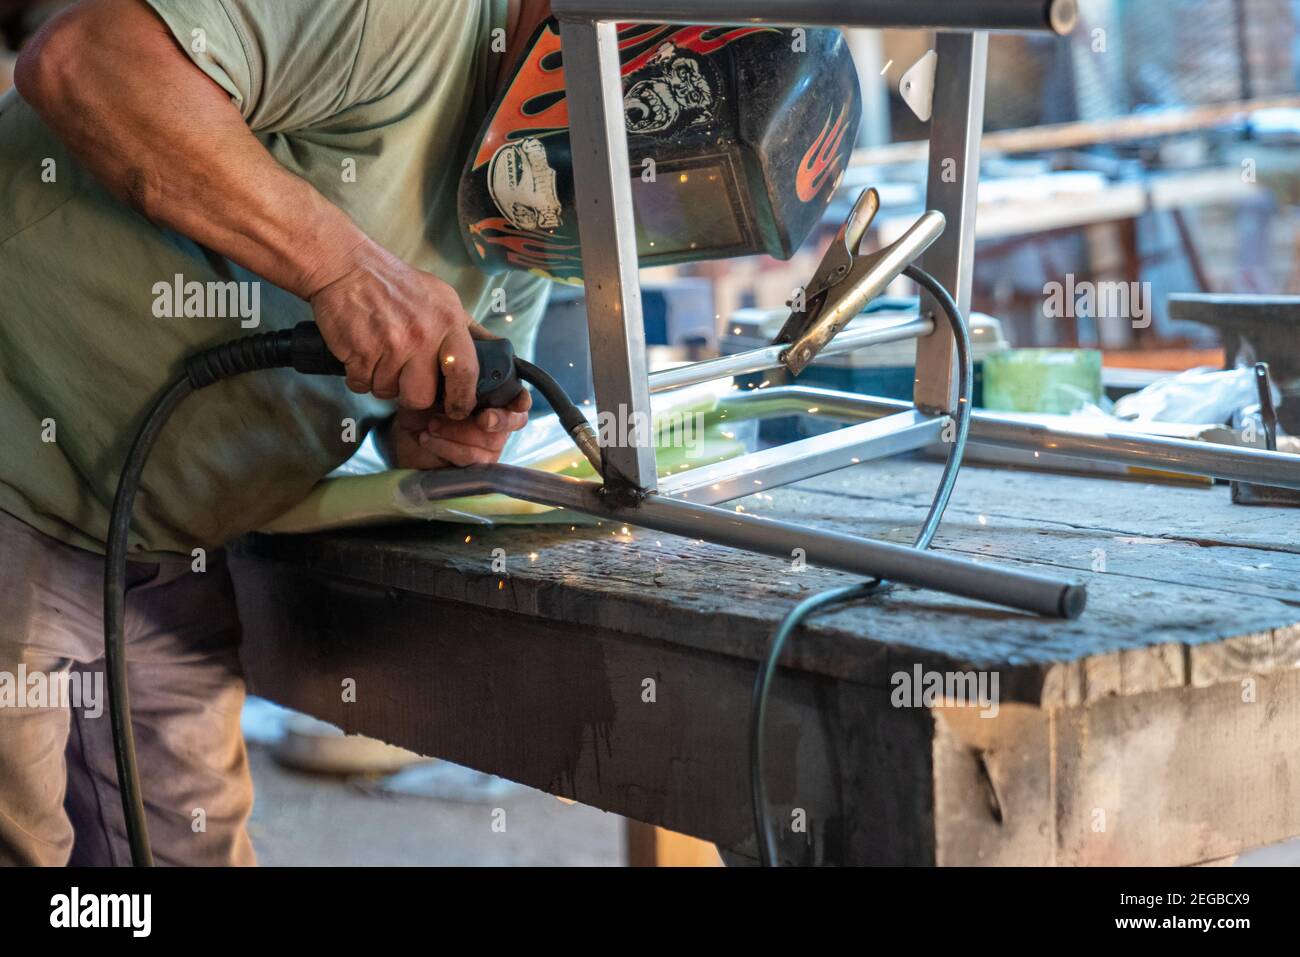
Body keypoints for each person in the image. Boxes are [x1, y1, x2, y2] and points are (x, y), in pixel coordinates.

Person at [0, 0, 553, 865]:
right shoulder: (406, 16)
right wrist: (344, 264)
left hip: (165, 549)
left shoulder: (547, 189)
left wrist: (429, 431)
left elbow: (409, 378)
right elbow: (84, 60)